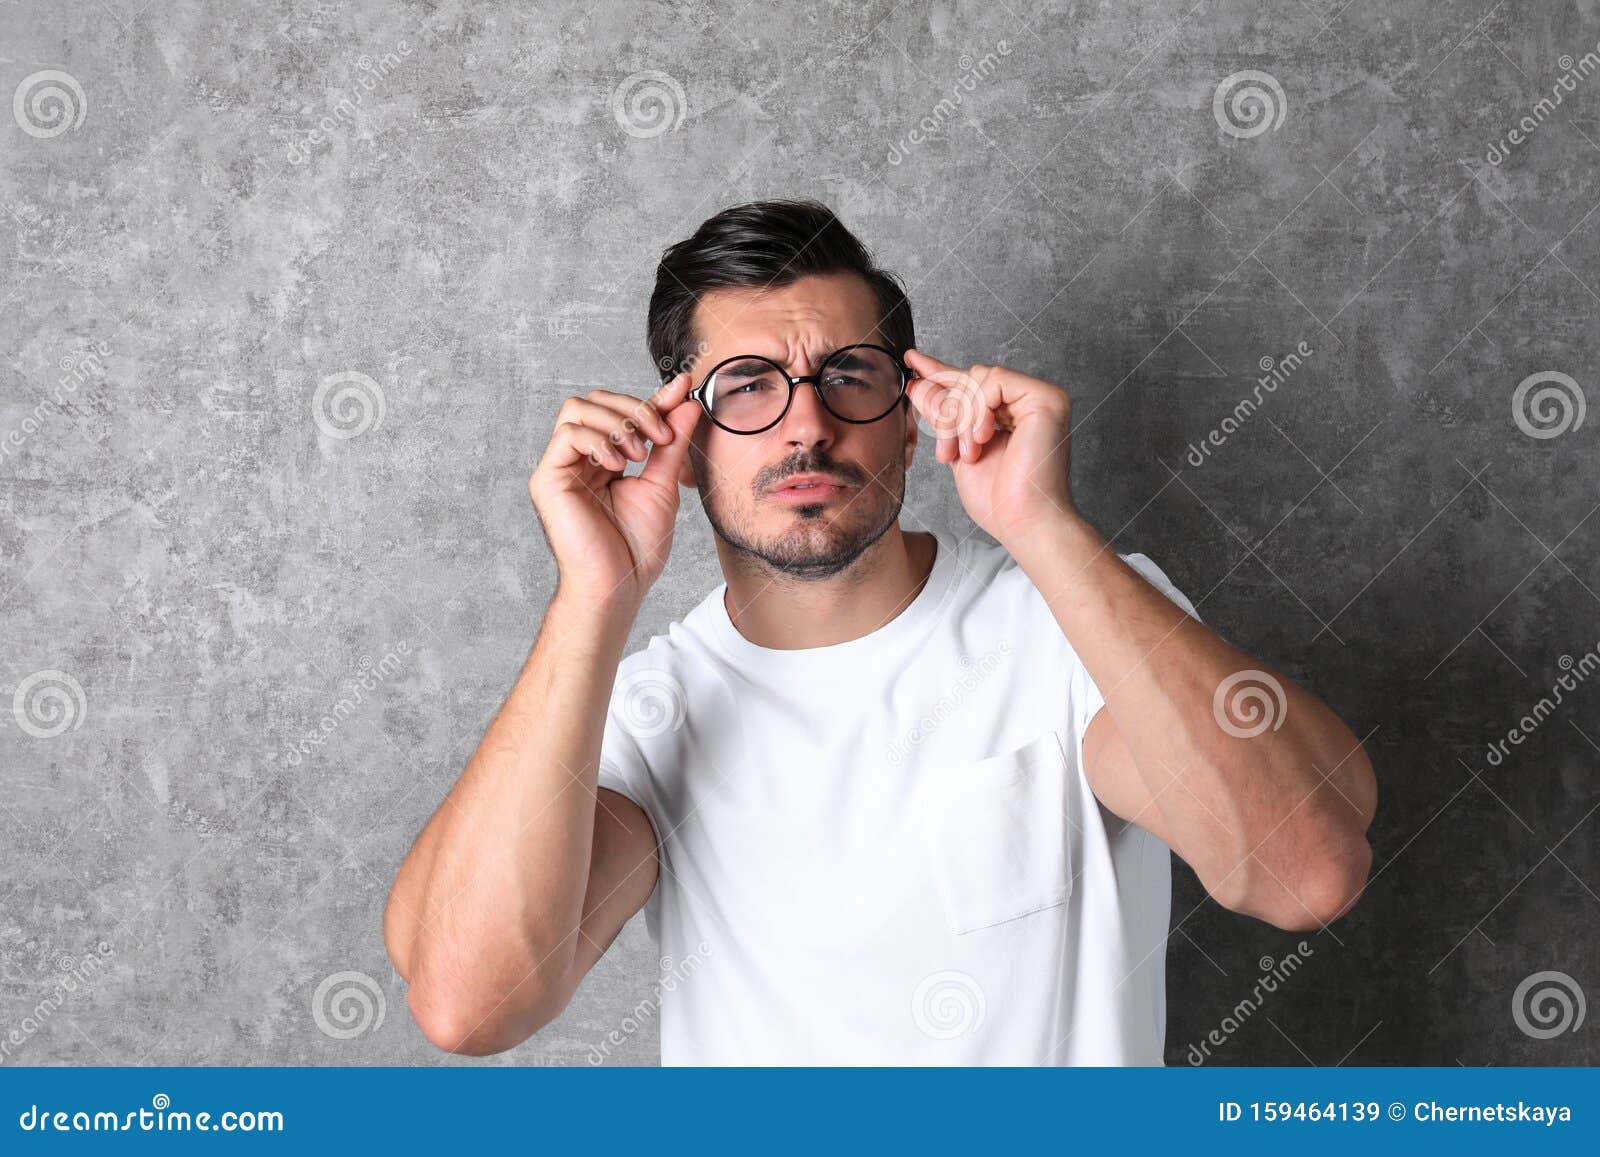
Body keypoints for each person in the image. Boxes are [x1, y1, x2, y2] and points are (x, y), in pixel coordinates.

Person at [384, 199, 1377, 1065]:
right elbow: (469, 1004)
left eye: (848, 376)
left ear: (909, 419)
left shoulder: (1067, 623)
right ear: (683, 444)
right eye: (748, 384)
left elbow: (1303, 870)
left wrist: (1043, 527)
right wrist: (590, 597)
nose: (806, 424)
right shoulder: (641, 708)